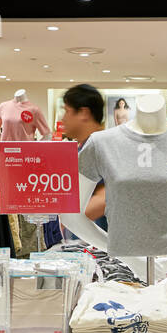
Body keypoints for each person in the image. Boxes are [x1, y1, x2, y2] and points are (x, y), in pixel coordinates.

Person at [61, 83, 108, 229]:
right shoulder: (84, 147)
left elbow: (105, 198)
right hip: (82, 243)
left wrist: (59, 224)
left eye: (67, 111)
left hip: (99, 245)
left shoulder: (102, 147)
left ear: (84, 113)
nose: (63, 119)